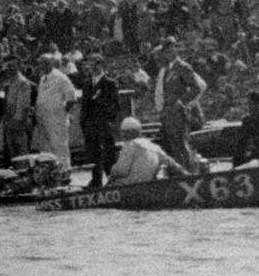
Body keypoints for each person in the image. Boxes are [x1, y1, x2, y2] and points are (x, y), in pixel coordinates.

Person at [154, 37, 205, 173]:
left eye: (171, 49)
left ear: (176, 49)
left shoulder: (182, 67)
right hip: (168, 111)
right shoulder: (166, 69)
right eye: (166, 50)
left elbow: (196, 88)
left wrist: (181, 101)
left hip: (178, 111)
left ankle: (189, 173)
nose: (169, 52)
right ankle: (181, 173)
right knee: (174, 144)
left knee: (182, 143)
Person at [79, 53, 122, 187]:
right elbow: (85, 104)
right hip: (90, 123)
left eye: (95, 64)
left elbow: (115, 105)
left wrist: (107, 120)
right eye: (90, 65)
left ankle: (112, 178)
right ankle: (96, 179)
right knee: (93, 152)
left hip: (103, 122)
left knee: (108, 150)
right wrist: (84, 121)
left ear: (101, 65)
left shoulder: (109, 83)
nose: (93, 67)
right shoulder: (86, 84)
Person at [107, 116, 188, 186]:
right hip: (150, 185)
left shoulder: (130, 145)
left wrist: (112, 174)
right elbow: (172, 164)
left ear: (132, 132)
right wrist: (187, 175)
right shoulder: (154, 147)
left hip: (131, 187)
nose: (124, 135)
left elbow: (121, 171)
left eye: (125, 132)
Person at [35, 53, 79, 172]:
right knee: (46, 150)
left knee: (59, 148)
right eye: (40, 64)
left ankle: (64, 173)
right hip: (43, 119)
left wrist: (60, 113)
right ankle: (50, 175)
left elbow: (71, 98)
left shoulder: (60, 78)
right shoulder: (42, 78)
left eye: (45, 63)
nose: (42, 66)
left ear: (51, 63)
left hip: (57, 119)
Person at [0, 58, 35, 161]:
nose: (10, 69)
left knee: (21, 151)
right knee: (12, 152)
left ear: (19, 67)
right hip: (10, 121)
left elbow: (24, 105)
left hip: (18, 121)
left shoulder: (23, 82)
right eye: (9, 66)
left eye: (13, 66)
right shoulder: (11, 82)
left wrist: (18, 121)